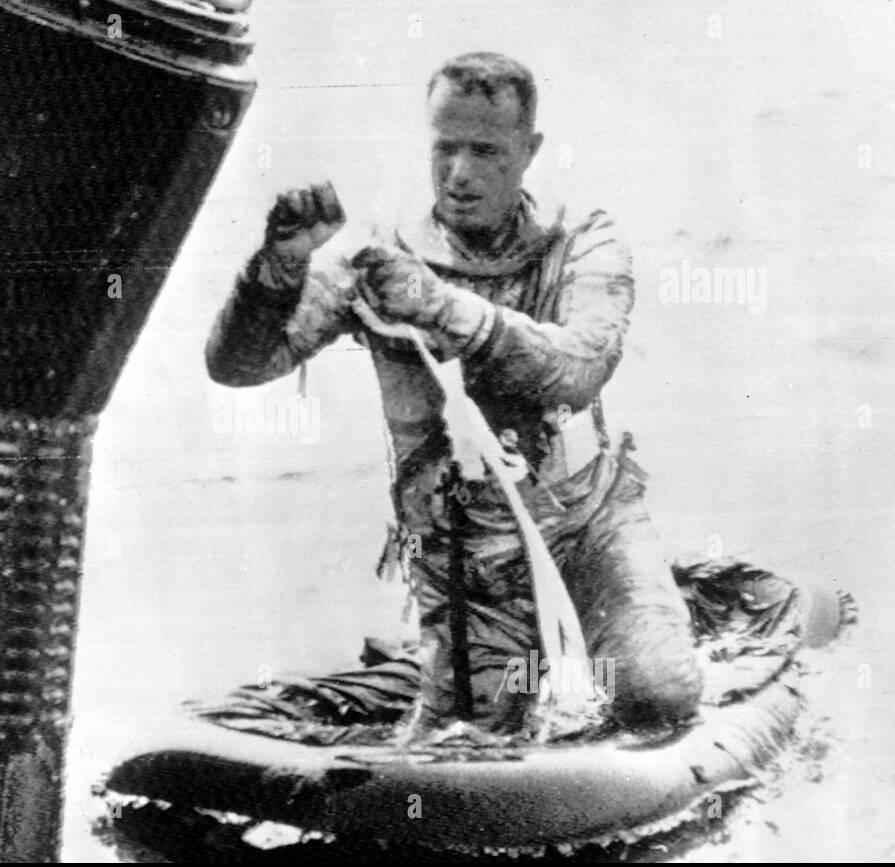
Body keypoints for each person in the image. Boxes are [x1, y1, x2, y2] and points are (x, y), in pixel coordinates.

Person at [205, 52, 702, 733]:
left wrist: (443, 308)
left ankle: (654, 617)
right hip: (468, 557)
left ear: (529, 152)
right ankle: (432, 677)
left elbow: (578, 368)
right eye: (444, 149)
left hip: (589, 527)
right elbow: (240, 367)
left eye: (486, 152)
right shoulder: (378, 261)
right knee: (466, 741)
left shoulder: (582, 241)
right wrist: (277, 268)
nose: (460, 175)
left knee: (658, 697)